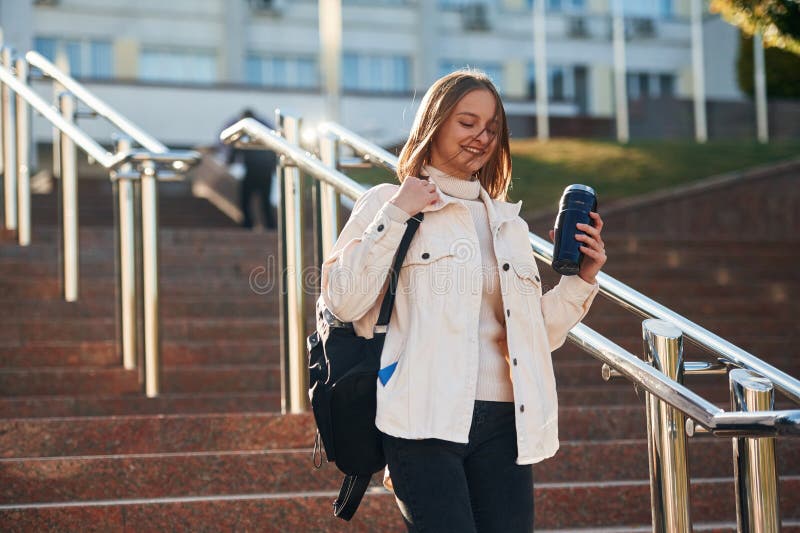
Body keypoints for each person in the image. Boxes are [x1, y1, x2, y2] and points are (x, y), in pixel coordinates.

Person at [320, 70, 607, 532]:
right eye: (467, 123)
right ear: (434, 123)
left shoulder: (507, 225)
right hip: (421, 418)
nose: (482, 137)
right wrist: (397, 213)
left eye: (492, 128)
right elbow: (344, 299)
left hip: (504, 423)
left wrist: (581, 282)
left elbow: (535, 338)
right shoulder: (385, 203)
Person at [226, 109, 278, 229]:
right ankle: (269, 226)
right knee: (264, 202)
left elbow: (235, 152)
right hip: (265, 173)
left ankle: (248, 225)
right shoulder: (264, 133)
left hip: (253, 173)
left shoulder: (245, 135)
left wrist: (229, 161)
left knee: (246, 201)